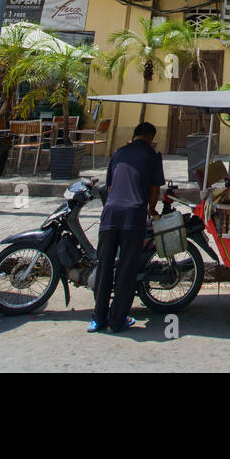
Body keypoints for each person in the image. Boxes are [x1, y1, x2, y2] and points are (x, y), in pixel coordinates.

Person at [90, 122, 164, 333]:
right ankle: (117, 320)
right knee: (126, 269)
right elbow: (155, 188)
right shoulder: (152, 156)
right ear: (150, 138)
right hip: (133, 216)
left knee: (104, 266)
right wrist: (151, 210)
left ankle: (98, 318)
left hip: (110, 214)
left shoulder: (118, 153)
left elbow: (109, 187)